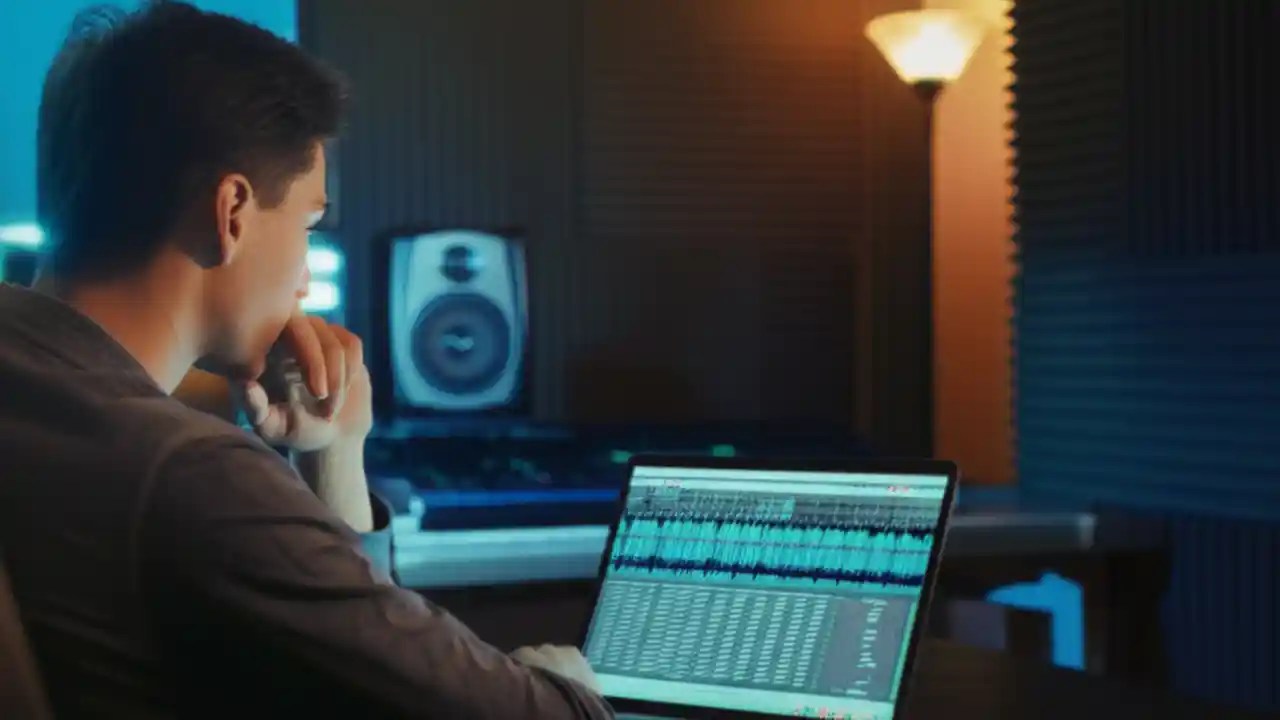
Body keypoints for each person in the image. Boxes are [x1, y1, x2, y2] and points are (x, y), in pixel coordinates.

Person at [0, 2, 612, 718]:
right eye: (308, 222)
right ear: (231, 212)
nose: (302, 279)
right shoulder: (189, 474)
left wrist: (331, 454)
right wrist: (573, 690)